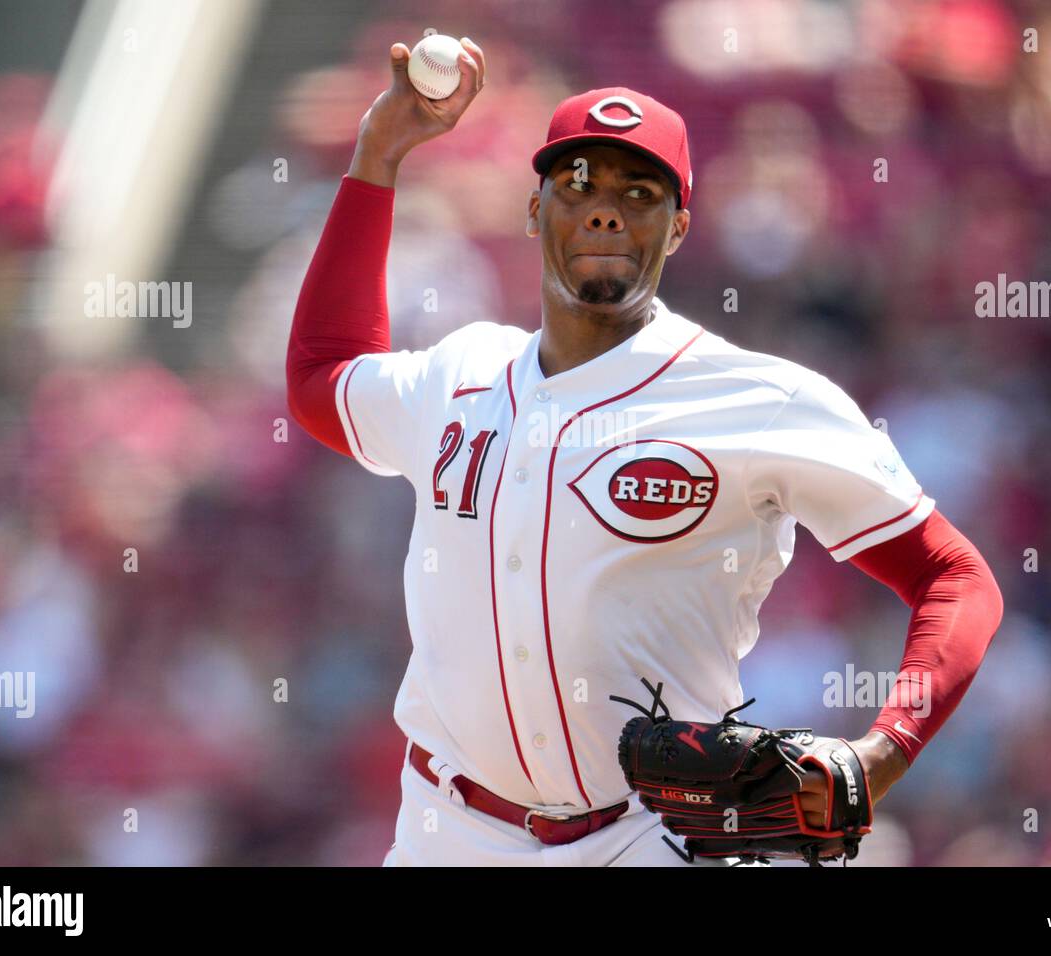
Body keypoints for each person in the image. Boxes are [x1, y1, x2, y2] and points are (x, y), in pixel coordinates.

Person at [285, 39, 1004, 866]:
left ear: (680, 226)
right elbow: (320, 379)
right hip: (447, 829)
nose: (604, 210)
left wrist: (883, 751)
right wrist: (379, 155)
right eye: (577, 184)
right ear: (533, 208)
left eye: (639, 192)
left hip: (648, 837)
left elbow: (954, 577)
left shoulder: (758, 401)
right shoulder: (459, 374)